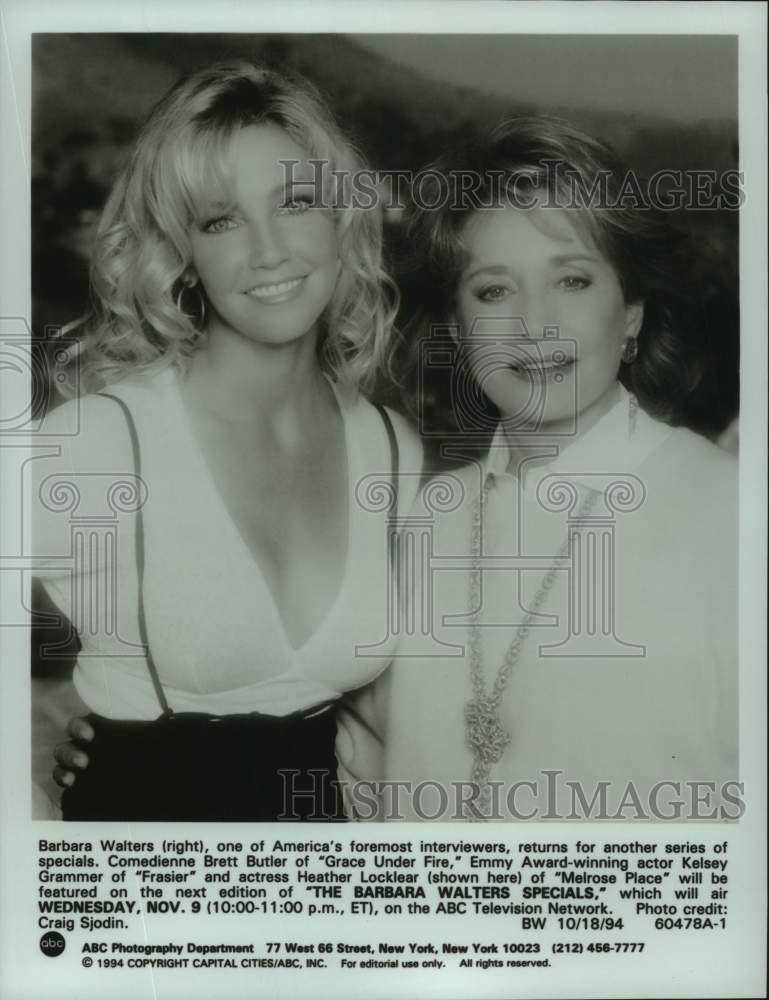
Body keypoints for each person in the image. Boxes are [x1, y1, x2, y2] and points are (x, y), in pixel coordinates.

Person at [32, 59, 421, 821]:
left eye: (294, 203)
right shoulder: (99, 441)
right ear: (181, 252)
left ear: (339, 218)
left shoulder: (391, 449)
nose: (268, 250)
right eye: (221, 220)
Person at [377, 117, 738, 822]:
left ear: (630, 314)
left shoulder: (730, 514)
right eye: (493, 291)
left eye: (572, 280)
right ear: (456, 329)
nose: (534, 324)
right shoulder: (421, 519)